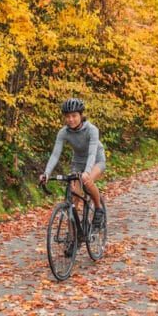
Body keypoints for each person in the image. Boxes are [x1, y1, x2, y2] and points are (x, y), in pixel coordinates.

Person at [39, 97, 106, 228]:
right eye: (68, 116)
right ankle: (72, 239)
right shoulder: (63, 132)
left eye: (74, 116)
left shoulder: (92, 130)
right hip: (78, 162)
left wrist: (87, 172)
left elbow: (92, 153)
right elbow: (55, 154)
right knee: (73, 196)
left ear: (81, 115)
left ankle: (98, 209)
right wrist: (46, 173)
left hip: (96, 159)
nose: (71, 119)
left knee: (87, 182)